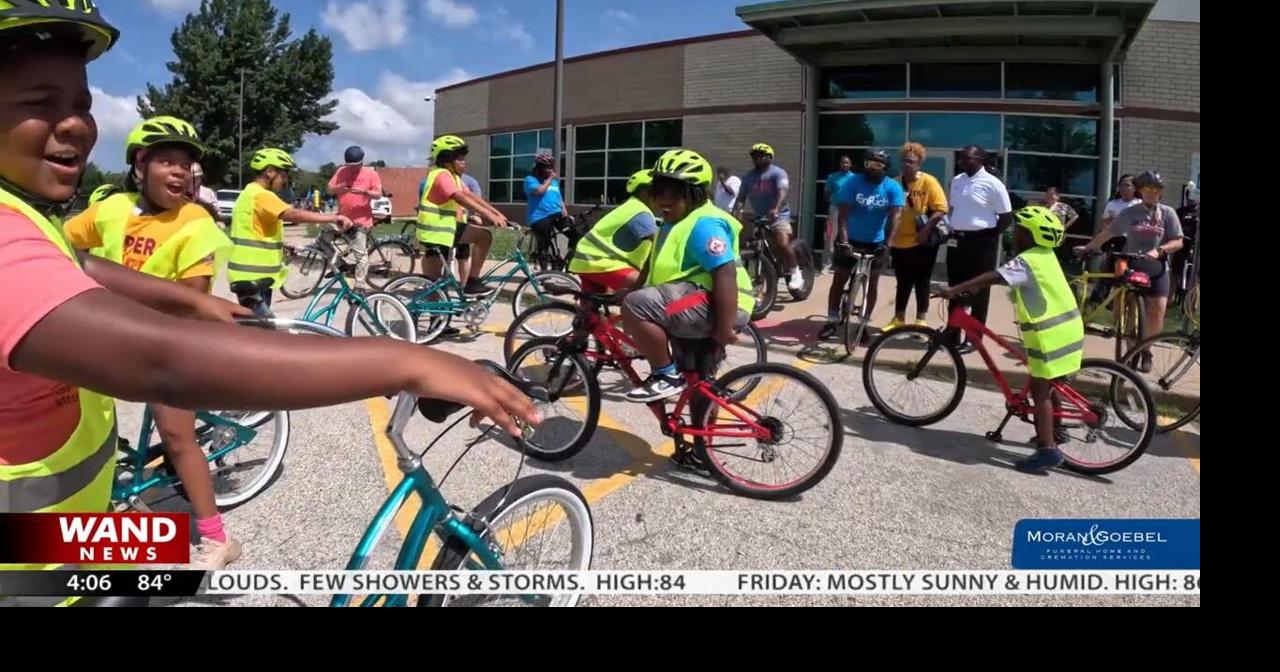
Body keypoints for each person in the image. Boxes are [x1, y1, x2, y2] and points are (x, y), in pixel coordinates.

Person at [0, 4, 538, 606]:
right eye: (40, 102)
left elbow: (75, 266)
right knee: (173, 466)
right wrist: (409, 362)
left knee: (157, 560)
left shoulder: (24, 213)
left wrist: (187, 298)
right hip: (31, 572)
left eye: (81, 103)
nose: (74, 123)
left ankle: (207, 537)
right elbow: (164, 360)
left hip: (65, 526)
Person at [62, 116, 241, 568]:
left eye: (186, 164)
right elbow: (60, 245)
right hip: (106, 335)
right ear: (140, 164)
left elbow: (194, 298)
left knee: (178, 436)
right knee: (79, 423)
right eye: (167, 161)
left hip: (168, 341)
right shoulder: (110, 207)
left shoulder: (196, 219)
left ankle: (217, 537)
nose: (180, 172)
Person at [939, 206, 1083, 474]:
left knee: (1040, 392)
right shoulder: (1046, 256)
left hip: (1049, 335)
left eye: (1019, 230)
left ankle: (1047, 450)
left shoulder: (1028, 260)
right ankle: (1057, 429)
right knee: (1053, 385)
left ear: (1030, 235)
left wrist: (955, 289)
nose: (1014, 234)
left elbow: (995, 276)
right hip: (1069, 330)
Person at [621, 149, 755, 402]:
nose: (663, 201)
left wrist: (724, 329)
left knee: (637, 306)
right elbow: (652, 265)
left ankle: (664, 376)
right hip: (691, 302)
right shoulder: (672, 222)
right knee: (697, 385)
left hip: (718, 304)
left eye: (674, 193)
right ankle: (701, 439)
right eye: (659, 191)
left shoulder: (704, 224)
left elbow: (725, 274)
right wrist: (631, 290)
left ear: (695, 193)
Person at [1075, 170, 1184, 371]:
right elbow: (1108, 233)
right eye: (1147, 189)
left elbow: (1178, 241)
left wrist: (1160, 250)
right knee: (1121, 300)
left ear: (1160, 192)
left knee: (1157, 309)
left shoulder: (1168, 213)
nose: (1151, 193)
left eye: (1155, 189)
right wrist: (1089, 247)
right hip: (1133, 263)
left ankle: (1146, 350)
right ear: (1140, 191)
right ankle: (1122, 328)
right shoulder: (1130, 213)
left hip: (1157, 267)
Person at [228, 148, 352, 312]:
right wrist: (334, 218)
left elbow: (255, 231)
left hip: (249, 275)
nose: (285, 182)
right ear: (270, 171)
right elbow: (293, 214)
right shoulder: (261, 196)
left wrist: (282, 246)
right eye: (283, 176)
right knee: (263, 332)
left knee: (255, 329)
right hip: (253, 275)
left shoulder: (248, 193)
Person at [819, 149, 904, 341]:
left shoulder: (892, 187)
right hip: (851, 238)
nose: (873, 169)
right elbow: (842, 217)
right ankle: (832, 320)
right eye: (869, 164)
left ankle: (863, 324)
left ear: (885, 168)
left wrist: (888, 245)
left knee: (872, 283)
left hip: (876, 242)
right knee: (840, 278)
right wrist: (844, 241)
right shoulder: (852, 182)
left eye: (878, 166)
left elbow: (895, 217)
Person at [417, 134, 509, 295]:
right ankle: (428, 315)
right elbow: (459, 197)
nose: (464, 162)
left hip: (446, 231)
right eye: (459, 159)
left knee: (484, 237)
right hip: (436, 233)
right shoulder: (440, 175)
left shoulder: (453, 177)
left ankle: (472, 282)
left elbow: (472, 196)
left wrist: (498, 214)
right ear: (447, 160)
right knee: (435, 286)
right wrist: (490, 216)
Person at [946, 145, 1013, 353]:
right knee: (955, 287)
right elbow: (954, 209)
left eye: (967, 159)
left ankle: (973, 338)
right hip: (957, 241)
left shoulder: (993, 184)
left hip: (982, 243)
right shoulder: (956, 181)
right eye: (961, 158)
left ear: (979, 160)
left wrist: (988, 236)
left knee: (979, 291)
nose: (962, 162)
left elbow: (1006, 217)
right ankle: (952, 334)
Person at [888, 142, 947, 331]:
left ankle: (921, 318)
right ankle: (898, 318)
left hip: (922, 240)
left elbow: (940, 209)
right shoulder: (896, 182)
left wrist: (926, 230)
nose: (907, 165)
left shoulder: (929, 182)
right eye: (904, 161)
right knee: (902, 281)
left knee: (922, 279)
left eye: (911, 161)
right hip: (899, 241)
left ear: (919, 163)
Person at [568, 170, 658, 293]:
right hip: (603, 264)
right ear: (644, 192)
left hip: (587, 262)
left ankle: (584, 312)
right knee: (647, 293)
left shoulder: (631, 207)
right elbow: (660, 241)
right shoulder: (640, 211)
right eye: (660, 191)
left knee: (593, 308)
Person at [733, 143, 803, 292]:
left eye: (761, 155)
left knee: (782, 244)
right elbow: (741, 197)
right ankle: (759, 277)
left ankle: (796, 272)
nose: (757, 158)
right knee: (754, 247)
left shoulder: (778, 173)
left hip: (779, 215)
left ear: (770, 157)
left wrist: (776, 207)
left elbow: (782, 191)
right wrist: (734, 213)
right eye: (754, 155)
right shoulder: (748, 176)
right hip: (759, 217)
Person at [327, 145, 382, 289]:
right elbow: (329, 188)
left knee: (360, 254)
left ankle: (360, 286)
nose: (352, 169)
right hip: (342, 217)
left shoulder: (371, 174)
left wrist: (365, 192)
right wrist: (340, 188)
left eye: (355, 166)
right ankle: (340, 265)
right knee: (324, 237)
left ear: (361, 163)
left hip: (361, 220)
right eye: (349, 166)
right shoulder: (341, 171)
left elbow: (378, 194)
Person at [525, 153, 574, 269]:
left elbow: (559, 198)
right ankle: (544, 274)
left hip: (557, 214)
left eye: (551, 168)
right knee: (544, 245)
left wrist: (564, 210)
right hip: (540, 217)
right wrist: (549, 179)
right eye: (547, 168)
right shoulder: (530, 180)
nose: (550, 170)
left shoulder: (554, 183)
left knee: (575, 236)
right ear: (539, 168)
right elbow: (538, 192)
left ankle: (568, 263)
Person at [823, 155, 854, 272]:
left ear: (850, 165)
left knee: (848, 237)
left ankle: (848, 264)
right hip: (835, 208)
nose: (845, 165)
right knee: (830, 236)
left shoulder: (854, 178)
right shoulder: (833, 177)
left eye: (847, 163)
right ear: (840, 164)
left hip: (850, 210)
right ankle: (827, 264)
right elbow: (826, 193)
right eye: (843, 163)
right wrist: (833, 203)